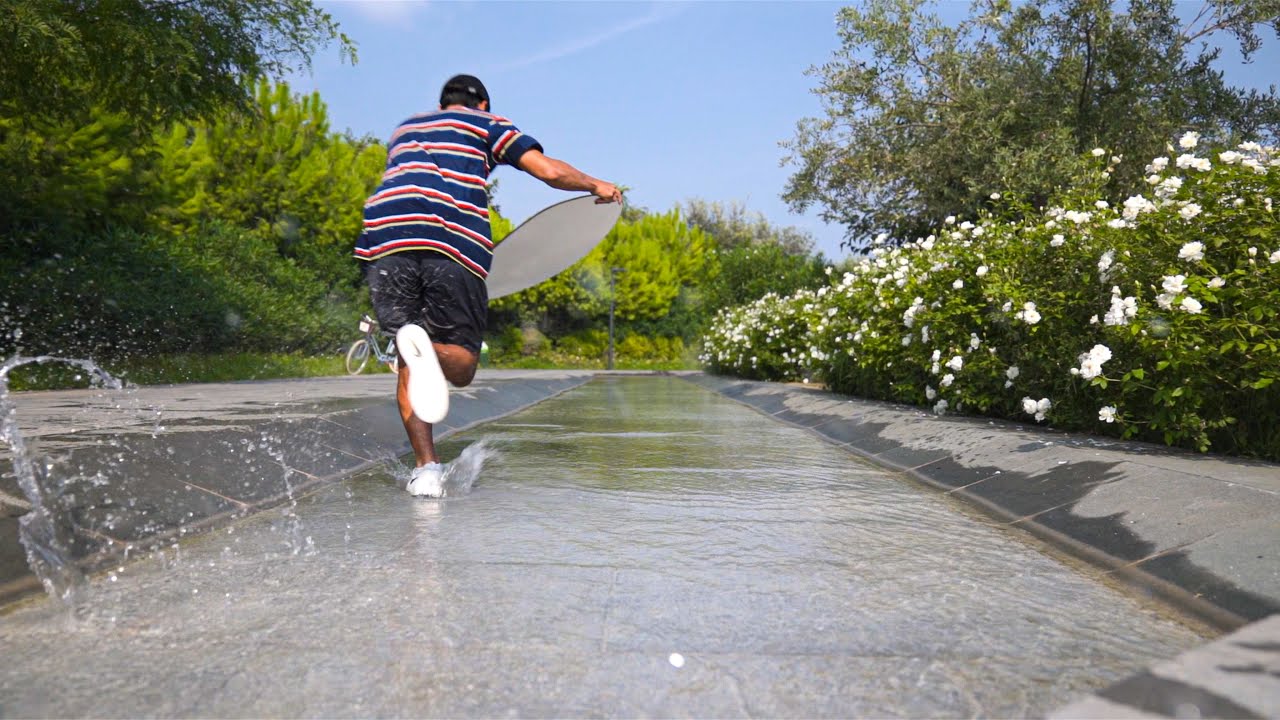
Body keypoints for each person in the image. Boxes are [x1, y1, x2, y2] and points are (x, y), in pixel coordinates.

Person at [355, 74, 621, 497]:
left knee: (411, 360)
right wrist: (595, 185)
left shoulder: (405, 128)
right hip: (449, 239)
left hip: (386, 240)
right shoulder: (486, 124)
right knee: (460, 366)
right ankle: (424, 348)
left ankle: (426, 470)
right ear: (482, 105)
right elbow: (548, 171)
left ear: (443, 103)